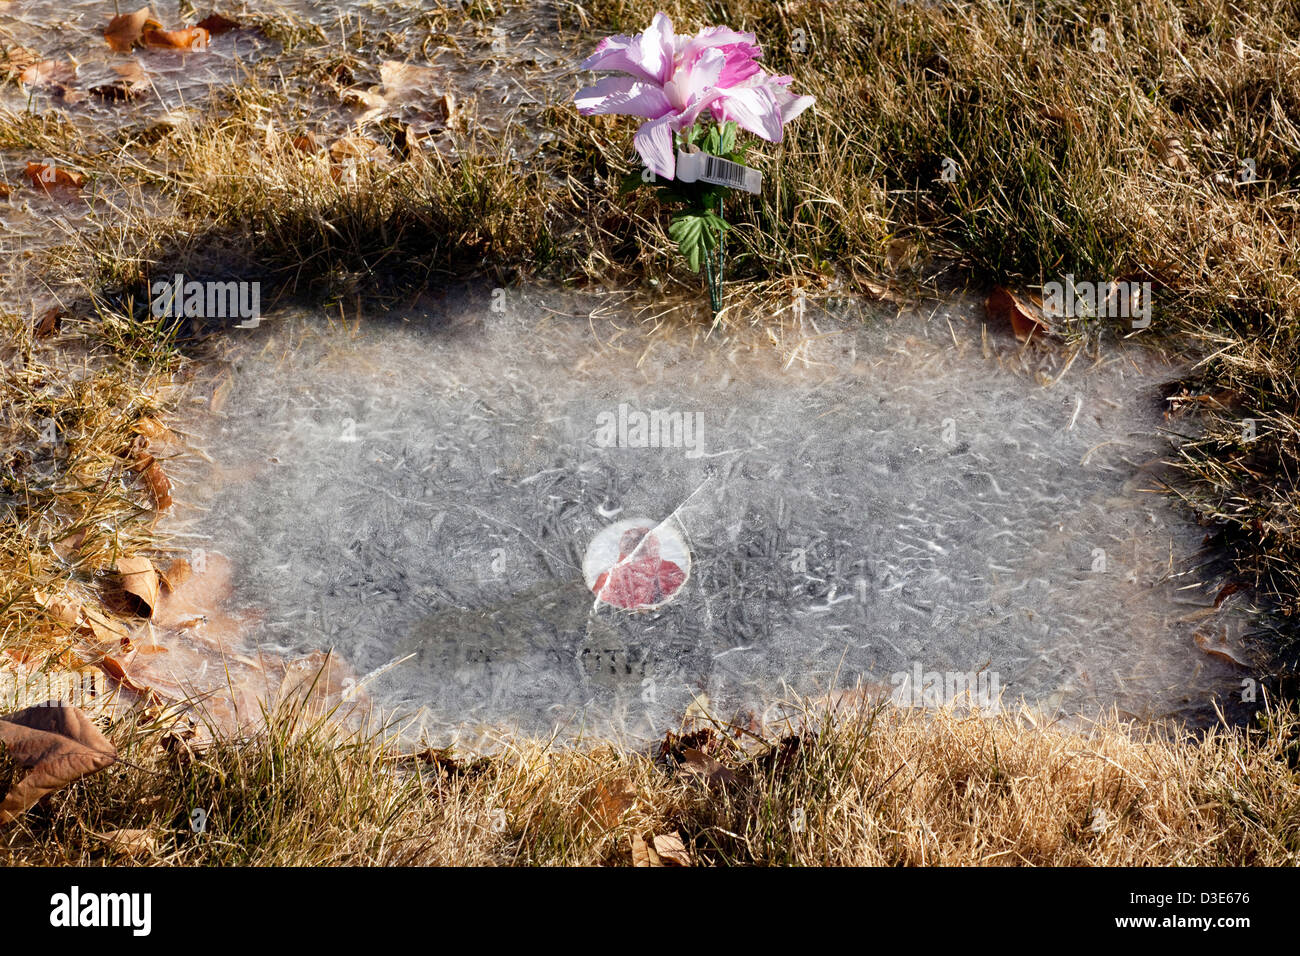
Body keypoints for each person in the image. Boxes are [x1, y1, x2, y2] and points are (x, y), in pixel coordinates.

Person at [592, 526, 685, 609]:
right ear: (653, 544)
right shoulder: (670, 570)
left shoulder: (608, 577)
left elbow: (600, 609)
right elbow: (685, 599)